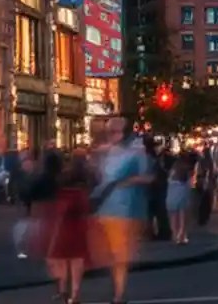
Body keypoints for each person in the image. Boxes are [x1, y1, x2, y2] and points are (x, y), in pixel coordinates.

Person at [93, 118, 153, 304]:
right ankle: (115, 290)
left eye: (114, 131)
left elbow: (149, 177)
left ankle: (118, 294)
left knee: (119, 255)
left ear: (124, 133)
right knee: (108, 253)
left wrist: (129, 181)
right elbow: (99, 177)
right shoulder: (106, 153)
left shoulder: (136, 153)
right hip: (105, 207)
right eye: (108, 131)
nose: (110, 135)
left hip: (126, 209)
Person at [45, 153, 91, 304]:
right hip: (78, 227)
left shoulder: (60, 192)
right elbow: (86, 208)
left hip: (63, 229)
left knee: (63, 260)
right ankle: (75, 294)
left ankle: (63, 290)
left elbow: (56, 211)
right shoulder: (81, 193)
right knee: (76, 261)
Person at [166, 154, 193, 245]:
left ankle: (175, 234)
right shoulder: (185, 171)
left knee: (173, 216)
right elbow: (189, 183)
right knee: (182, 216)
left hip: (171, 197)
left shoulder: (172, 171)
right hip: (182, 195)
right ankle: (182, 236)